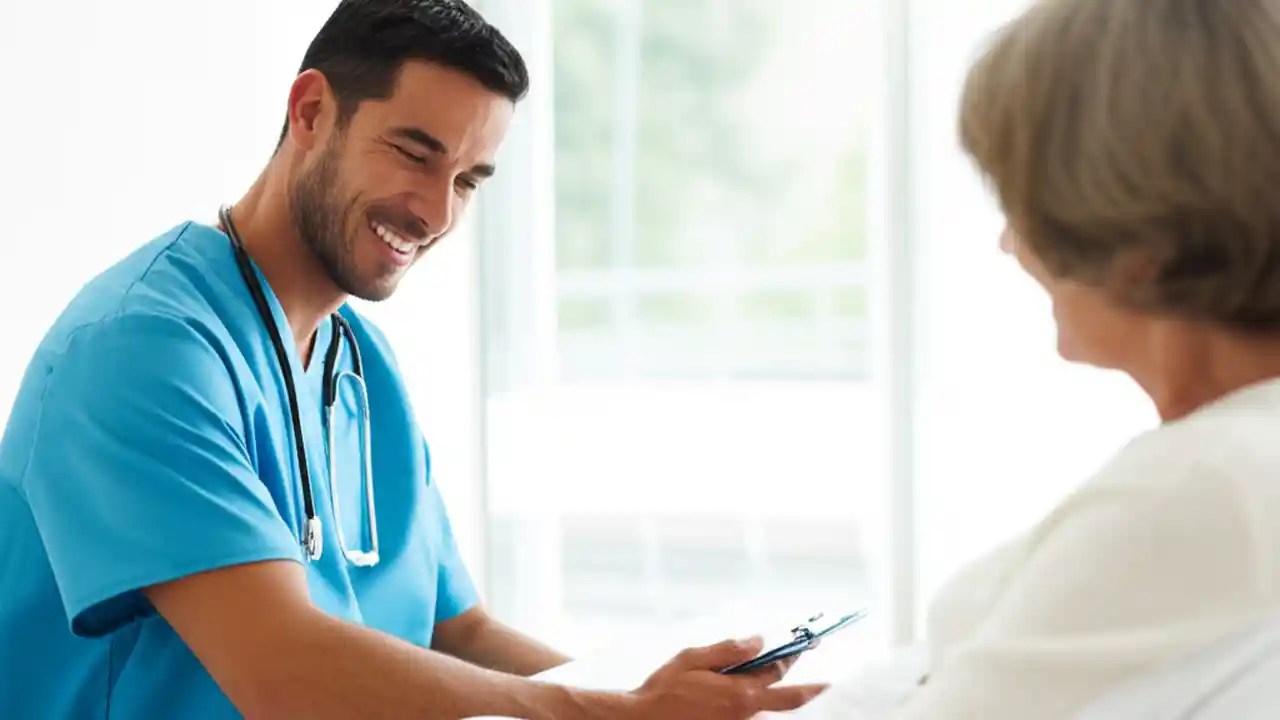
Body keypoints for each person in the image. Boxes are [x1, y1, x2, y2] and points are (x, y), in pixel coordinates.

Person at [0, 1, 826, 718]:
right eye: (415, 152)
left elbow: (453, 631)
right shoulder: (137, 352)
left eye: (469, 180)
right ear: (311, 110)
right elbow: (285, 677)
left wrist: (652, 699)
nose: (436, 212)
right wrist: (609, 713)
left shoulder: (363, 366)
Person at [776, 0, 1280, 717]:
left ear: (1138, 244)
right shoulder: (1235, 462)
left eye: (1026, 206)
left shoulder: (1211, 484)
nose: (1009, 245)